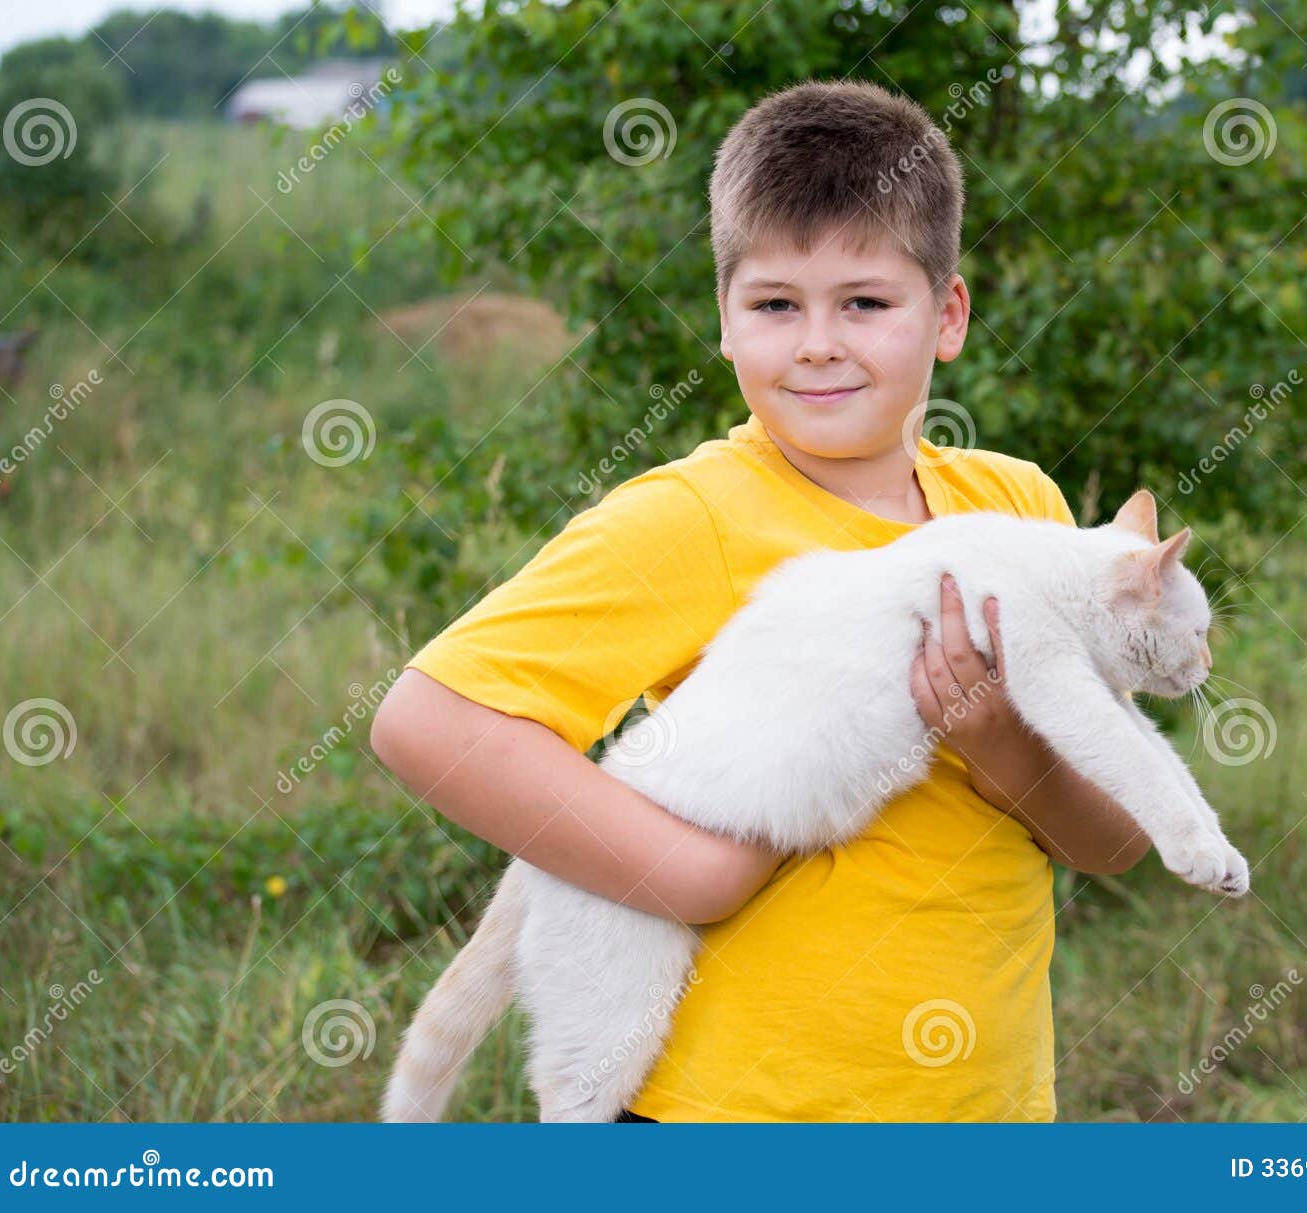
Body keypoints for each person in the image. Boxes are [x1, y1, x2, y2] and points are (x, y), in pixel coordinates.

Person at [370, 78, 1149, 1122]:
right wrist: (695, 876)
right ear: (725, 324)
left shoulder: (1019, 508)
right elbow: (425, 721)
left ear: (947, 315)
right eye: (776, 304)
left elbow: (1112, 842)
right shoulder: (693, 517)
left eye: (865, 302)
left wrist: (1002, 743)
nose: (818, 342)